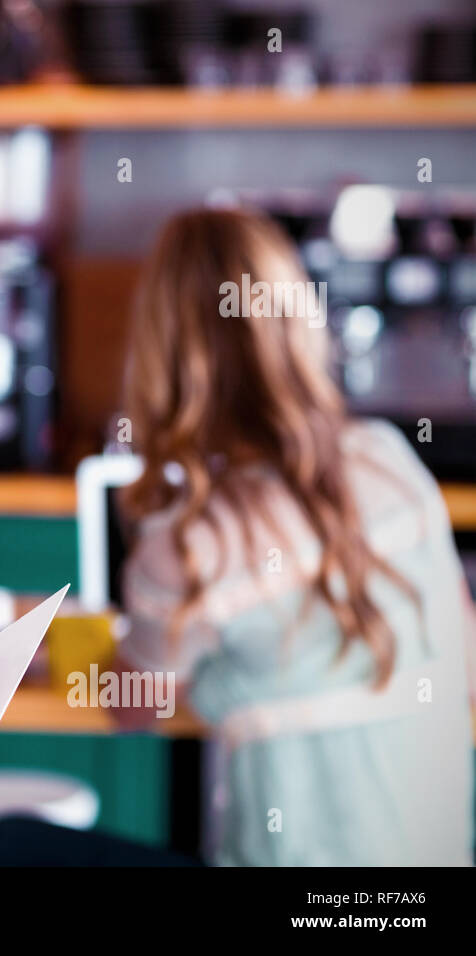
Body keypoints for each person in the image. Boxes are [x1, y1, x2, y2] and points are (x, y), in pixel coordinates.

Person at [109, 206, 475, 865]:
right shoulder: (389, 459)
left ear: (158, 350)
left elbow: (130, 703)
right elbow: (461, 631)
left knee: (8, 843)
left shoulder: (193, 537)